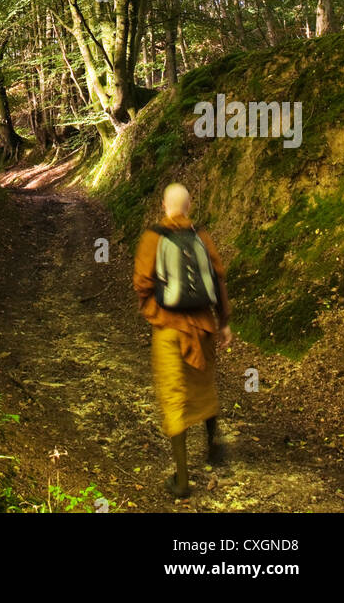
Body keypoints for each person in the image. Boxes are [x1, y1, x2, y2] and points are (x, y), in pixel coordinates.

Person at [133, 183, 232, 500]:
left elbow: (141, 283)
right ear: (189, 206)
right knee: (204, 385)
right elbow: (218, 278)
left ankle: (183, 479)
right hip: (203, 326)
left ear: (164, 205)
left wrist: (155, 311)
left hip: (169, 329)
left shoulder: (153, 237)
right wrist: (224, 322)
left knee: (173, 393)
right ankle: (214, 446)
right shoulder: (201, 235)